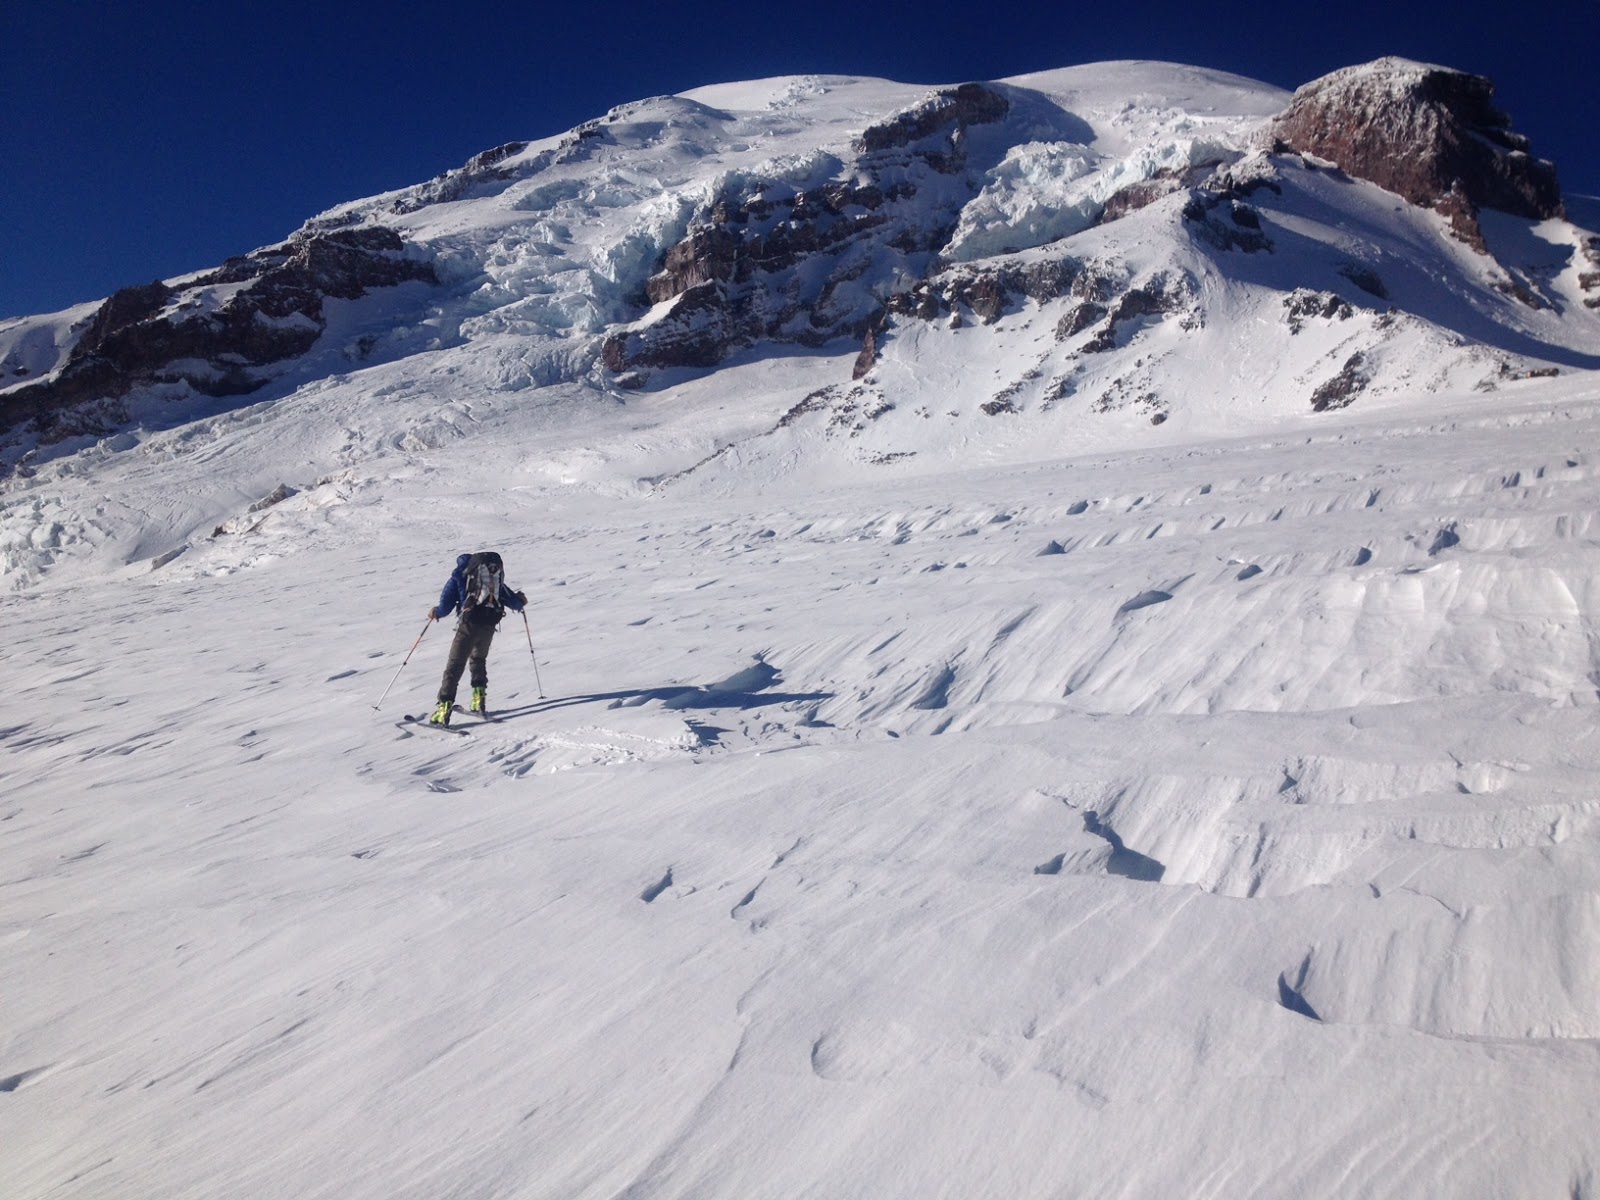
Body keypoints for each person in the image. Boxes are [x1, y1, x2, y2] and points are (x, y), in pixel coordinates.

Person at [427, 551, 527, 724]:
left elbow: (445, 606)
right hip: (489, 625)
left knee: (454, 667)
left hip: (468, 626)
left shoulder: (459, 577)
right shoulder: (491, 578)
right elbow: (512, 600)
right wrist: (519, 601)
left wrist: (435, 612)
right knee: (478, 660)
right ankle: (478, 701)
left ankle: (443, 711)